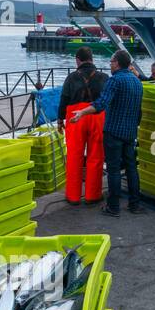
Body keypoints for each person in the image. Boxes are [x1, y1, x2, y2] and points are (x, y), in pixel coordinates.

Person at [70, 49, 145, 216]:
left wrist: (82, 112)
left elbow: (101, 103)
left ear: (117, 63)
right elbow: (139, 111)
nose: (110, 64)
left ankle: (113, 206)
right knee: (132, 168)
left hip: (113, 132)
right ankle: (134, 205)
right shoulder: (137, 82)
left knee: (113, 170)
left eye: (111, 61)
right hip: (130, 132)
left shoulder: (115, 81)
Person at [57, 46, 109, 204]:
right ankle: (93, 195)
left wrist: (60, 120)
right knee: (96, 156)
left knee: (74, 156)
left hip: (75, 117)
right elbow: (108, 99)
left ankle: (73, 196)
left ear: (77, 60)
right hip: (97, 114)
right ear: (92, 59)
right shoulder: (103, 77)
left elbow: (64, 100)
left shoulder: (71, 77)